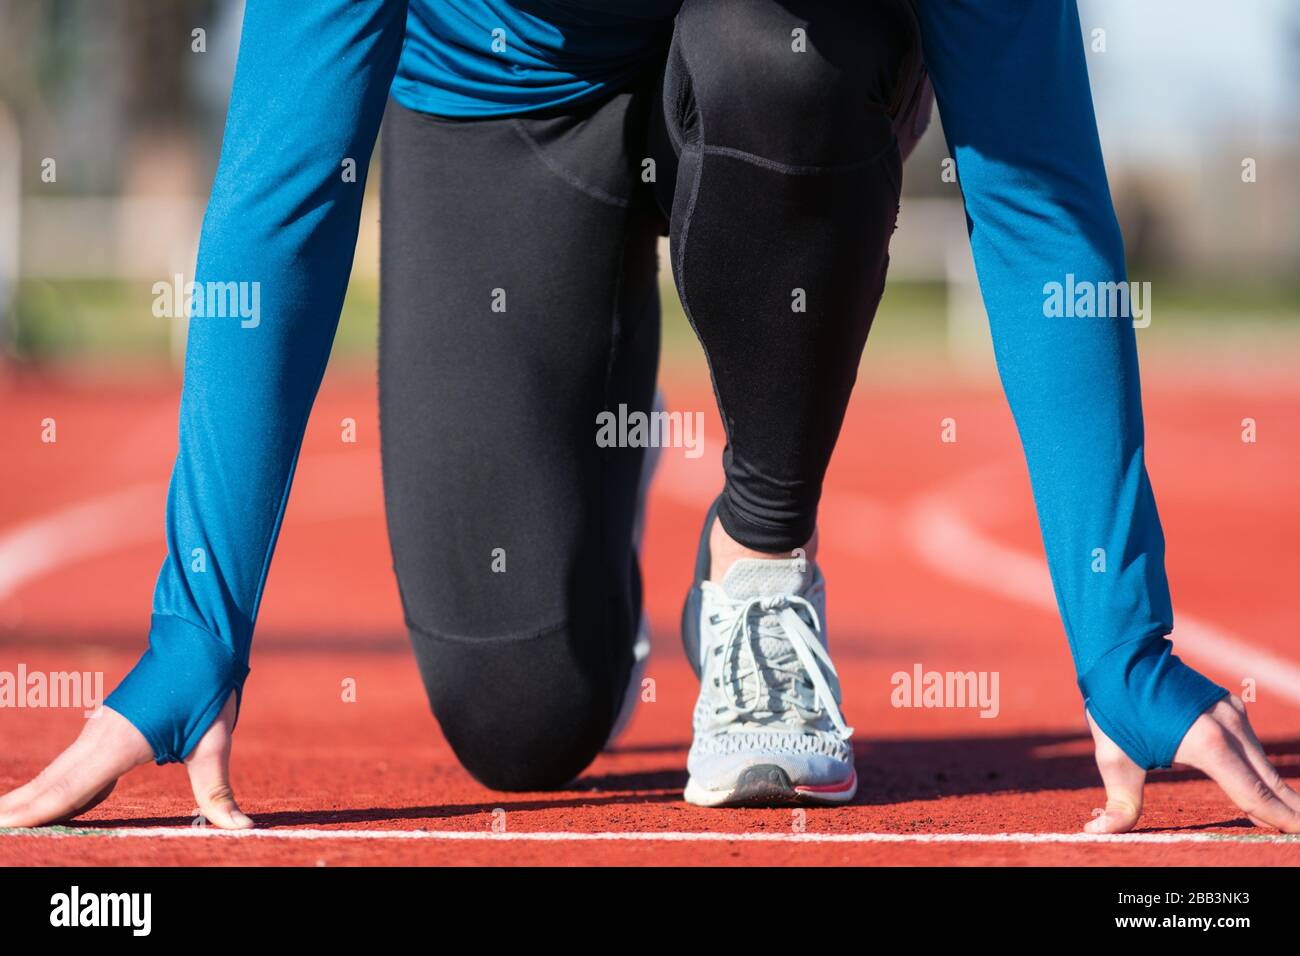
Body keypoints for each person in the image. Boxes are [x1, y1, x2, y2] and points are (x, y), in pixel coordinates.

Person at [2, 0, 1296, 829]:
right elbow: (282, 200)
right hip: (500, 98)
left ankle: (761, 542)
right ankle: (594, 408)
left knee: (771, 61)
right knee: (520, 721)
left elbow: (1038, 201)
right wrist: (197, 633)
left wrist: (1122, 646)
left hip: (783, 66)